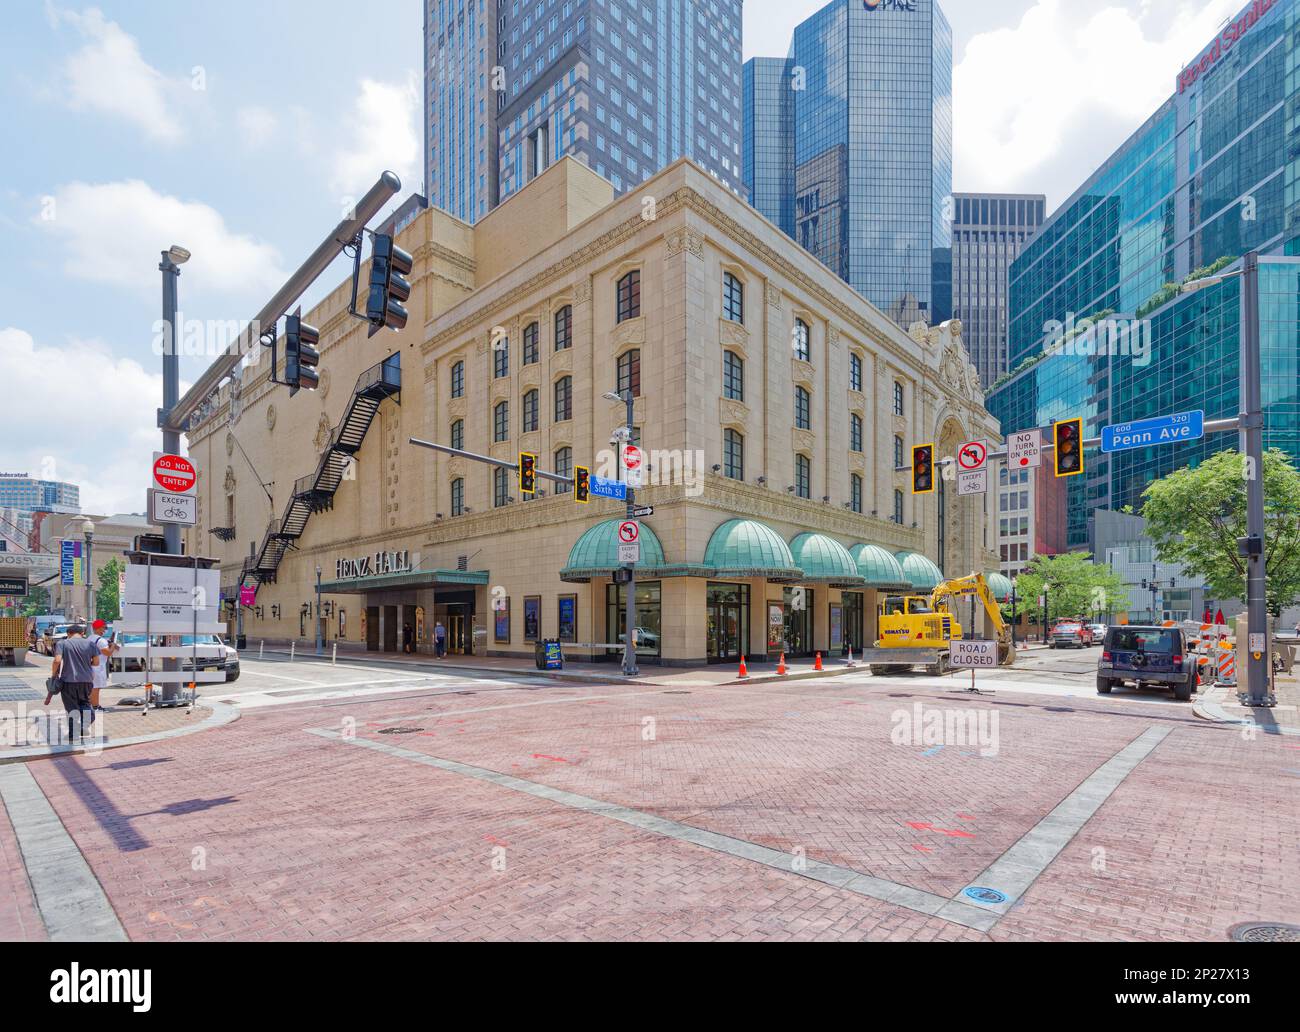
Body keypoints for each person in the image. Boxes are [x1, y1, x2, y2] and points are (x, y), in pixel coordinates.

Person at [46, 624, 99, 742]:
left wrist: (54, 675)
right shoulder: (91, 644)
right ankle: (88, 719)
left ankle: (73, 734)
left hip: (68, 681)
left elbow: (57, 661)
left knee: (72, 708)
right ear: (82, 633)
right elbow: (96, 662)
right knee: (85, 703)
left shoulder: (63, 643)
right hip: (86, 680)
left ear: (68, 634)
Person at [88, 619, 117, 713]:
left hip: (90, 665)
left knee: (93, 687)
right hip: (98, 666)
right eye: (104, 628)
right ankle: (95, 707)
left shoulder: (89, 638)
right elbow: (108, 653)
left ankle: (92, 706)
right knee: (96, 688)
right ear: (98, 628)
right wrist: (113, 645)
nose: (104, 630)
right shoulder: (101, 640)